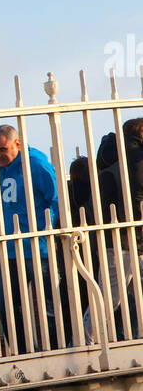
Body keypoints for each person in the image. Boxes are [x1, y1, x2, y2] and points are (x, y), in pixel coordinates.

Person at [0, 126, 61, 351]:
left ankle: (57, 350)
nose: (0, 155)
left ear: (18, 144)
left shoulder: (36, 164)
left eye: (3, 149)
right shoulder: (1, 167)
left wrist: (47, 229)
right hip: (12, 249)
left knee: (50, 306)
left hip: (38, 247)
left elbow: (57, 199)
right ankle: (24, 353)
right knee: (7, 307)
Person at [84, 119, 143, 342]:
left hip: (116, 236)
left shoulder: (111, 160)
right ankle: (85, 341)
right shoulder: (134, 159)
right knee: (111, 296)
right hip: (128, 237)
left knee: (113, 295)